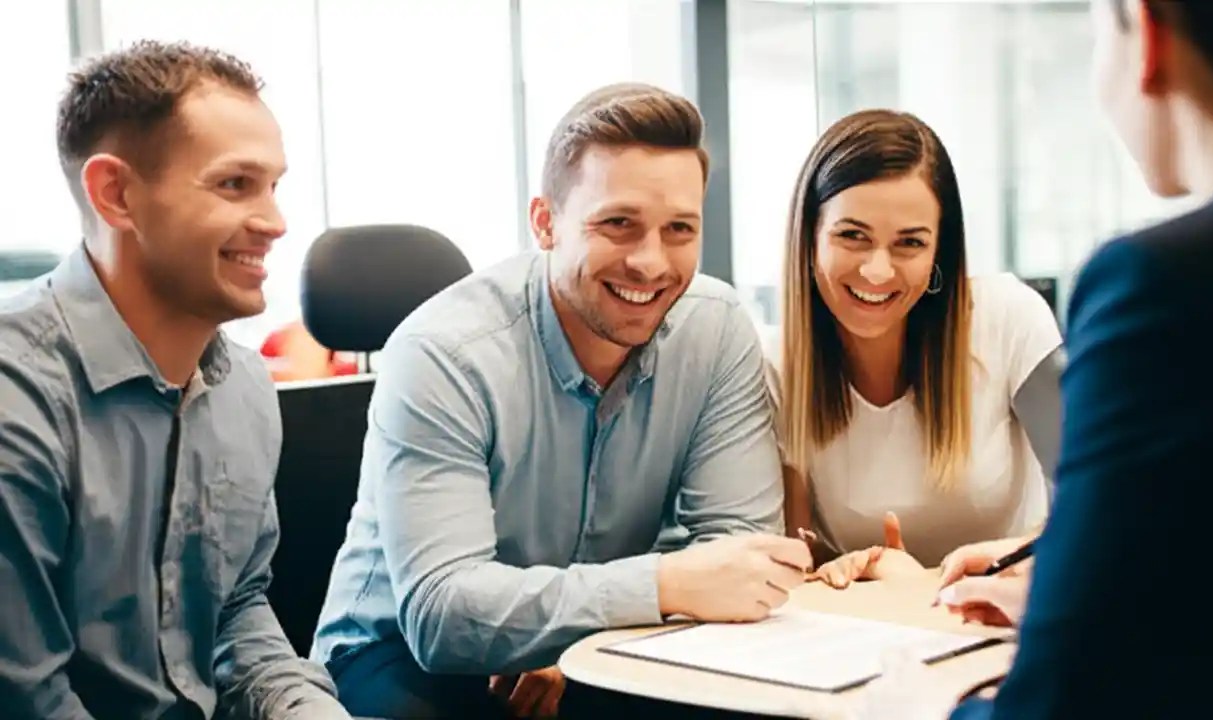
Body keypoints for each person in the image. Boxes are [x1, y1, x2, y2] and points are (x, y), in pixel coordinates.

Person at [311, 83, 811, 719]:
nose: (651, 263)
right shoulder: (445, 351)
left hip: (613, 639)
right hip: (400, 656)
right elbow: (442, 614)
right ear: (545, 222)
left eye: (679, 229)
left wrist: (579, 637)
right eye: (618, 224)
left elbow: (740, 557)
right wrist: (653, 589)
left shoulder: (715, 328)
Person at [864, 1, 1213, 717]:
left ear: (1145, 36)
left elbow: (1063, 702)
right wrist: (1070, 597)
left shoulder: (1168, 286)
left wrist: (929, 705)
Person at [0, 41, 349, 719]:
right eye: (234, 184)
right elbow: (24, 697)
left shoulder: (243, 389)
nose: (275, 223)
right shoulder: (18, 401)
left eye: (274, 185)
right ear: (117, 194)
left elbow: (236, 615)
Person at [765, 109, 1063, 585]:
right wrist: (862, 570)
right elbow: (797, 556)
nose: (878, 271)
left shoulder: (1009, 317)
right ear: (809, 239)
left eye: (910, 243)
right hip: (864, 629)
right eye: (852, 236)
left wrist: (1017, 555)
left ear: (938, 252)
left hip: (1000, 615)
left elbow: (1097, 498)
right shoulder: (774, 362)